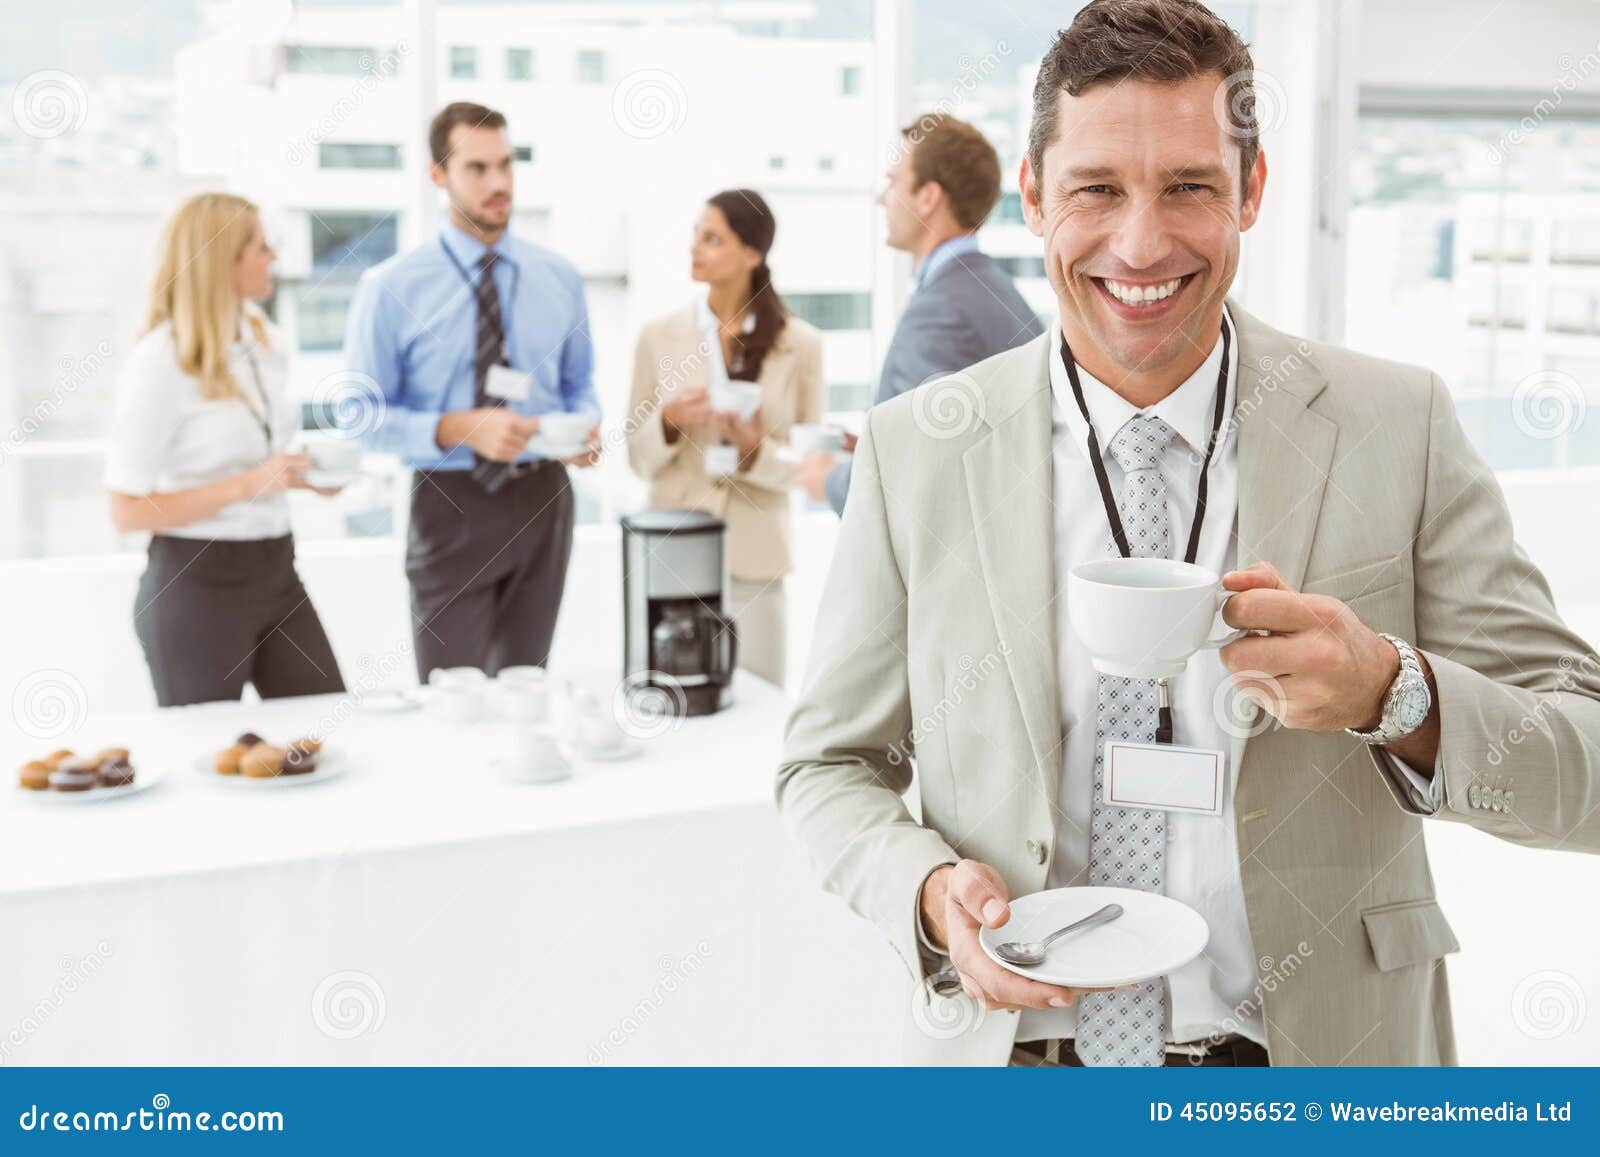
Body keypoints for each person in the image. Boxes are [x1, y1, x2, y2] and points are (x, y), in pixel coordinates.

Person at [777, 0, 1600, 1068]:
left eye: (1189, 188)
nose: (1140, 242)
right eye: (1096, 189)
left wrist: (1396, 693)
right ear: (1032, 196)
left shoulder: (1400, 425)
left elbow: (1584, 764)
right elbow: (828, 766)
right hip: (1016, 1069)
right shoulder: (915, 450)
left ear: (1250, 192)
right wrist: (926, 890)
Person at [345, 102, 601, 681]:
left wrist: (583, 427)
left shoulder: (560, 278)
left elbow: (579, 383)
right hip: (450, 501)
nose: (499, 183)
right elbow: (357, 413)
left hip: (544, 499)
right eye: (478, 169)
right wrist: (457, 427)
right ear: (438, 175)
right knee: (451, 697)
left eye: (506, 166)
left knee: (524, 688)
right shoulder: (390, 287)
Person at [105, 193, 347, 707]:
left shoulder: (262, 340)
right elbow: (125, 511)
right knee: (206, 760)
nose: (273, 259)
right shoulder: (161, 361)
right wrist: (246, 486)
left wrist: (300, 474)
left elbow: (259, 454)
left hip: (277, 566)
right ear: (221, 262)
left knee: (324, 725)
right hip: (195, 583)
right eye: (261, 248)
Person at [796, 113, 1043, 515]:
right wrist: (877, 444)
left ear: (928, 197)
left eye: (893, 182)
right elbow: (953, 442)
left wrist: (826, 480)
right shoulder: (991, 288)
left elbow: (912, 474)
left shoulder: (941, 311)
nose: (882, 198)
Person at [626, 190, 823, 688]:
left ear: (752, 254)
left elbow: (810, 465)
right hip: (675, 549)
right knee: (674, 702)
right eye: (696, 235)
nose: (695, 248)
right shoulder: (656, 337)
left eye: (712, 239)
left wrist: (755, 451)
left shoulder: (800, 346)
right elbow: (635, 457)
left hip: (756, 558)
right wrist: (668, 422)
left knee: (759, 712)